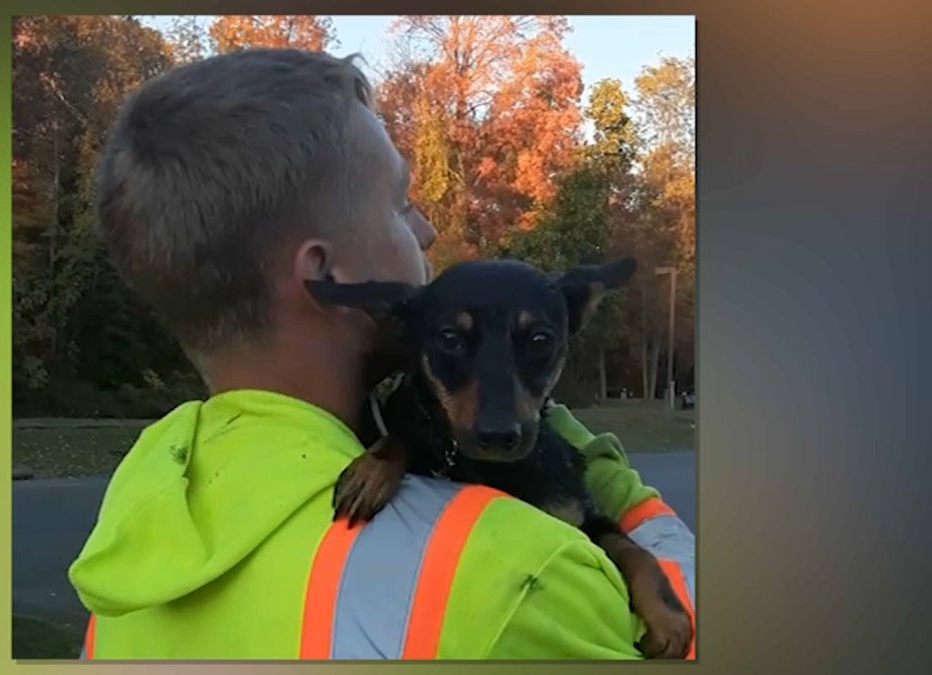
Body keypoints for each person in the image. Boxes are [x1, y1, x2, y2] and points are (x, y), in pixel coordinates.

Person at [68, 48, 695, 660]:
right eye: (400, 204)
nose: (425, 231)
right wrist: (620, 491)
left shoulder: (128, 552)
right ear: (326, 273)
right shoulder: (517, 575)